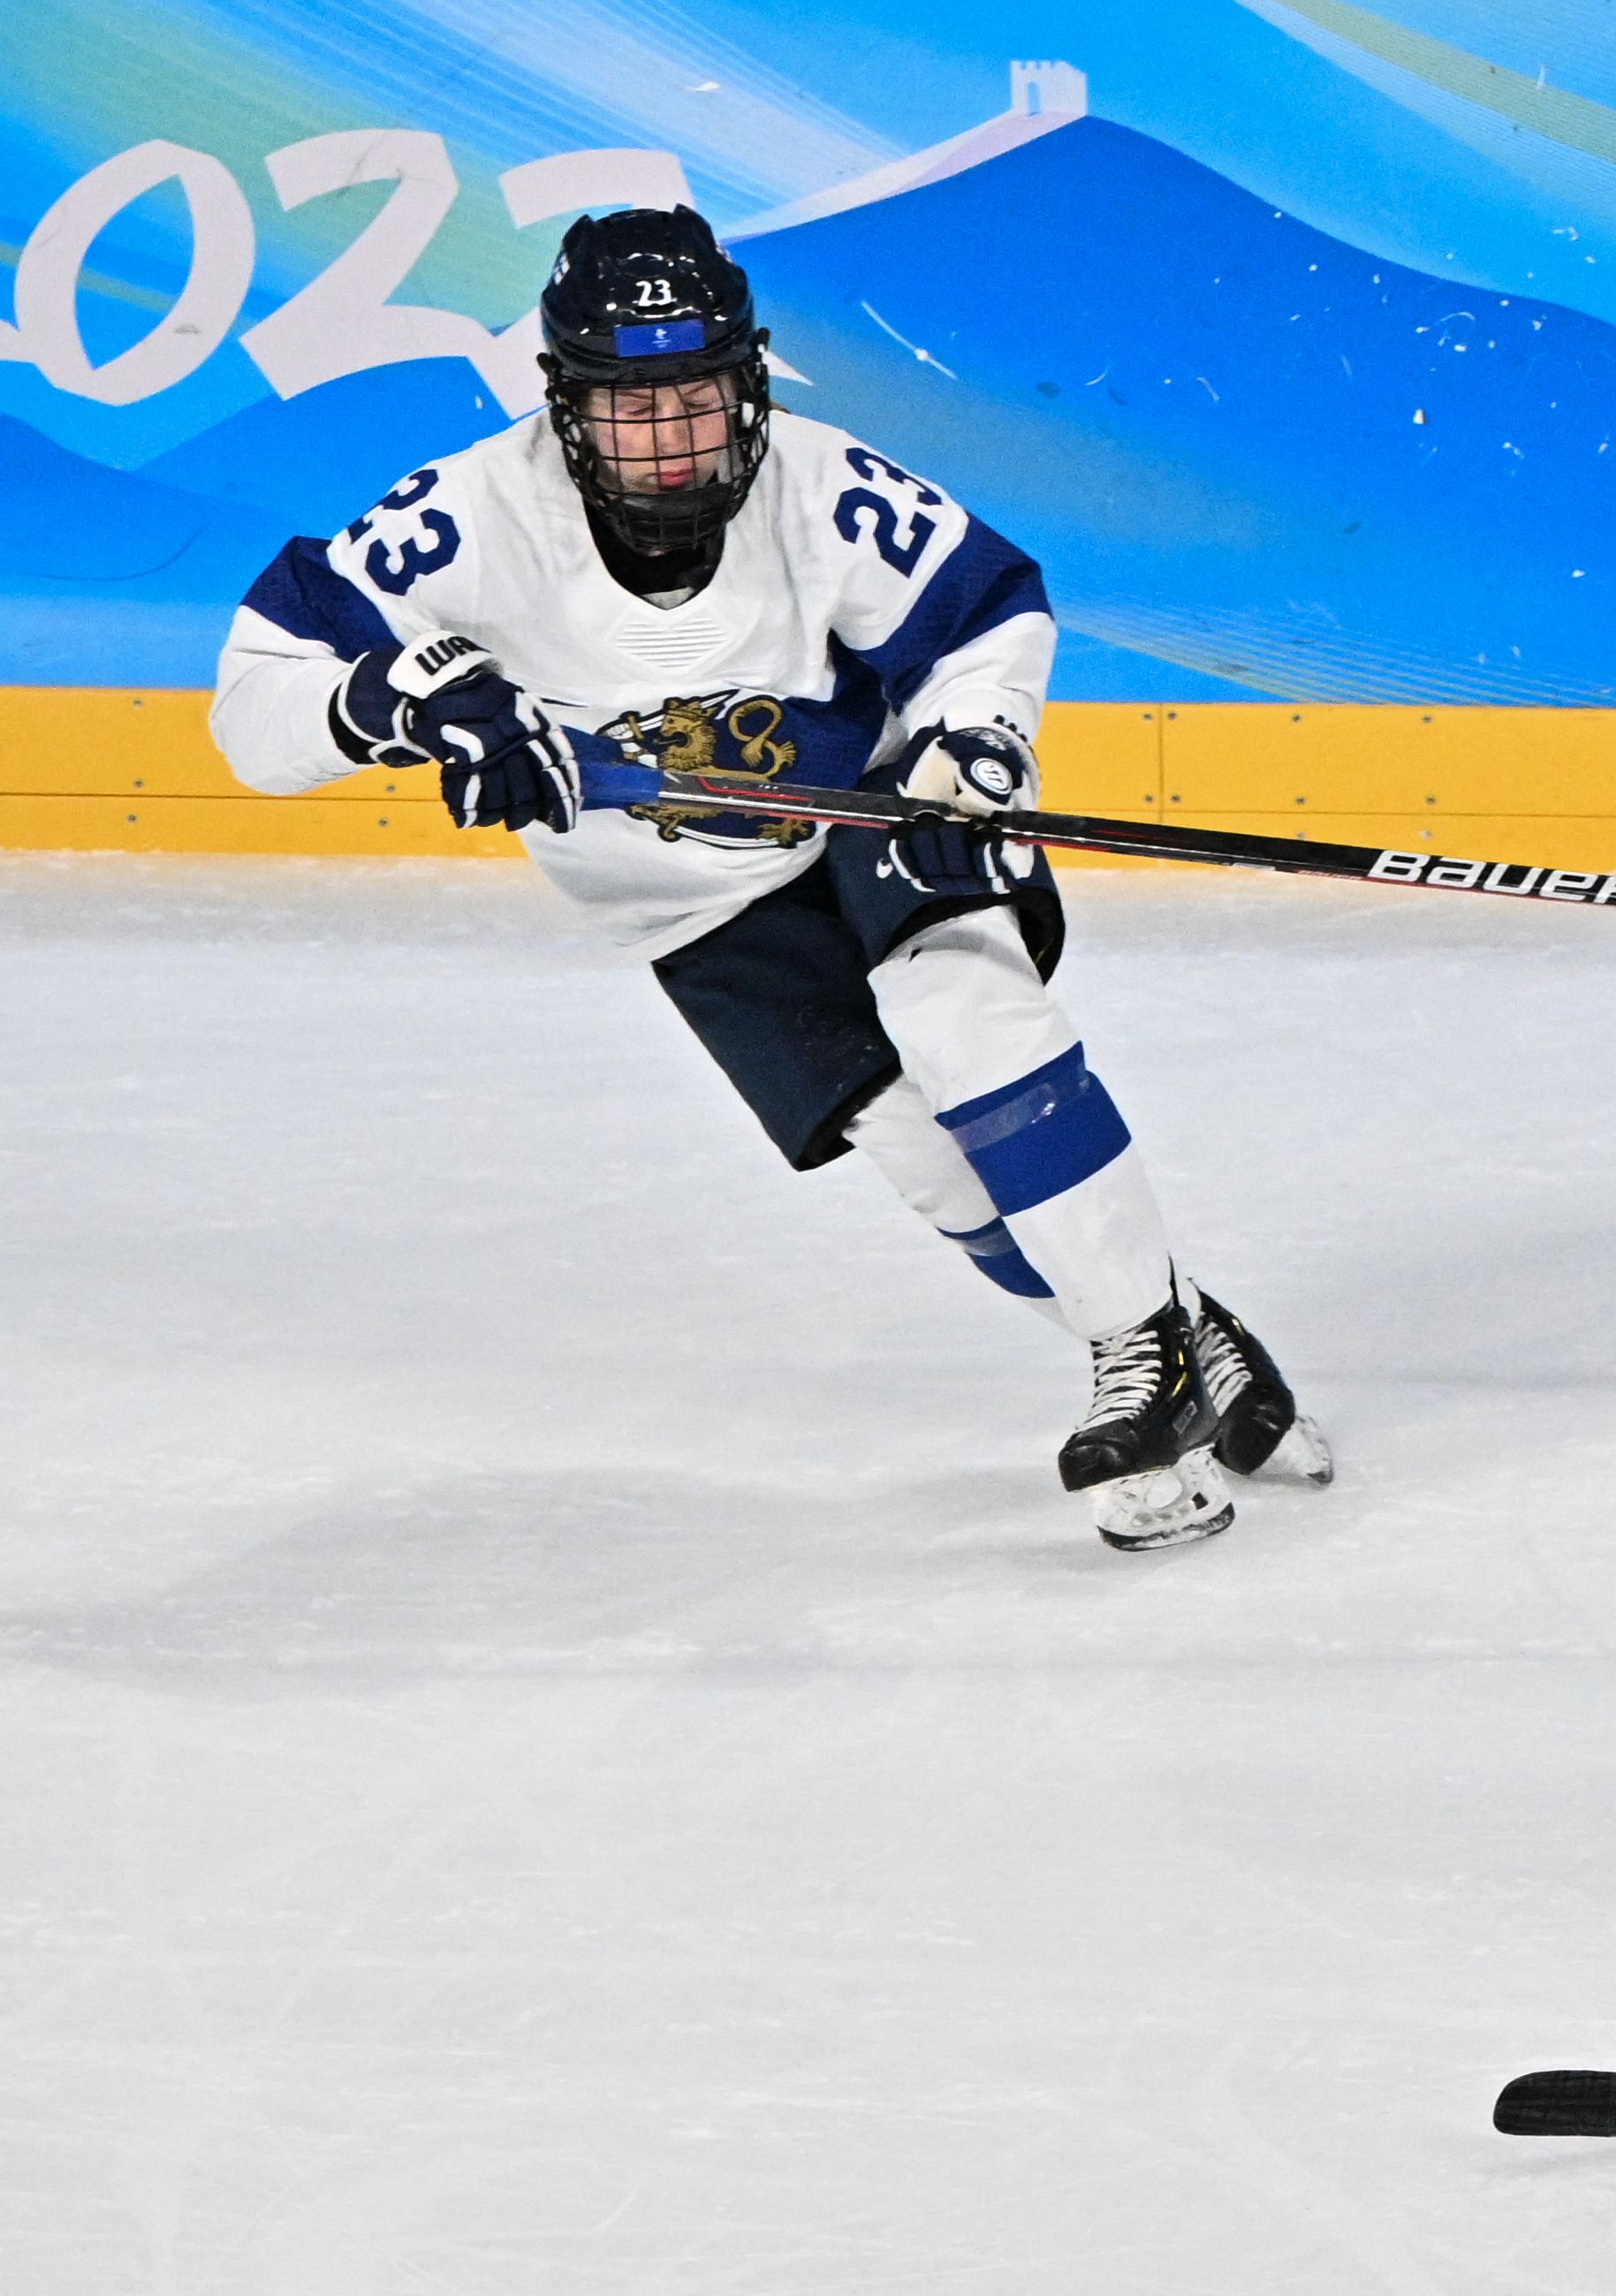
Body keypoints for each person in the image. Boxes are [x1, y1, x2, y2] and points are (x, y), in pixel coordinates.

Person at [209, 208, 1326, 1552]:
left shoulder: (817, 482)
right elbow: (256, 712)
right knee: (929, 1159)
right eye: (633, 406)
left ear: (749, 382)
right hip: (685, 898)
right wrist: (391, 697)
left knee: (960, 1006)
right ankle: (1177, 1329)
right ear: (564, 409)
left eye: (699, 396)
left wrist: (975, 738)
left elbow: (990, 609)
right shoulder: (467, 520)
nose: (674, 435)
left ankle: (1137, 1363)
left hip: (877, 804)